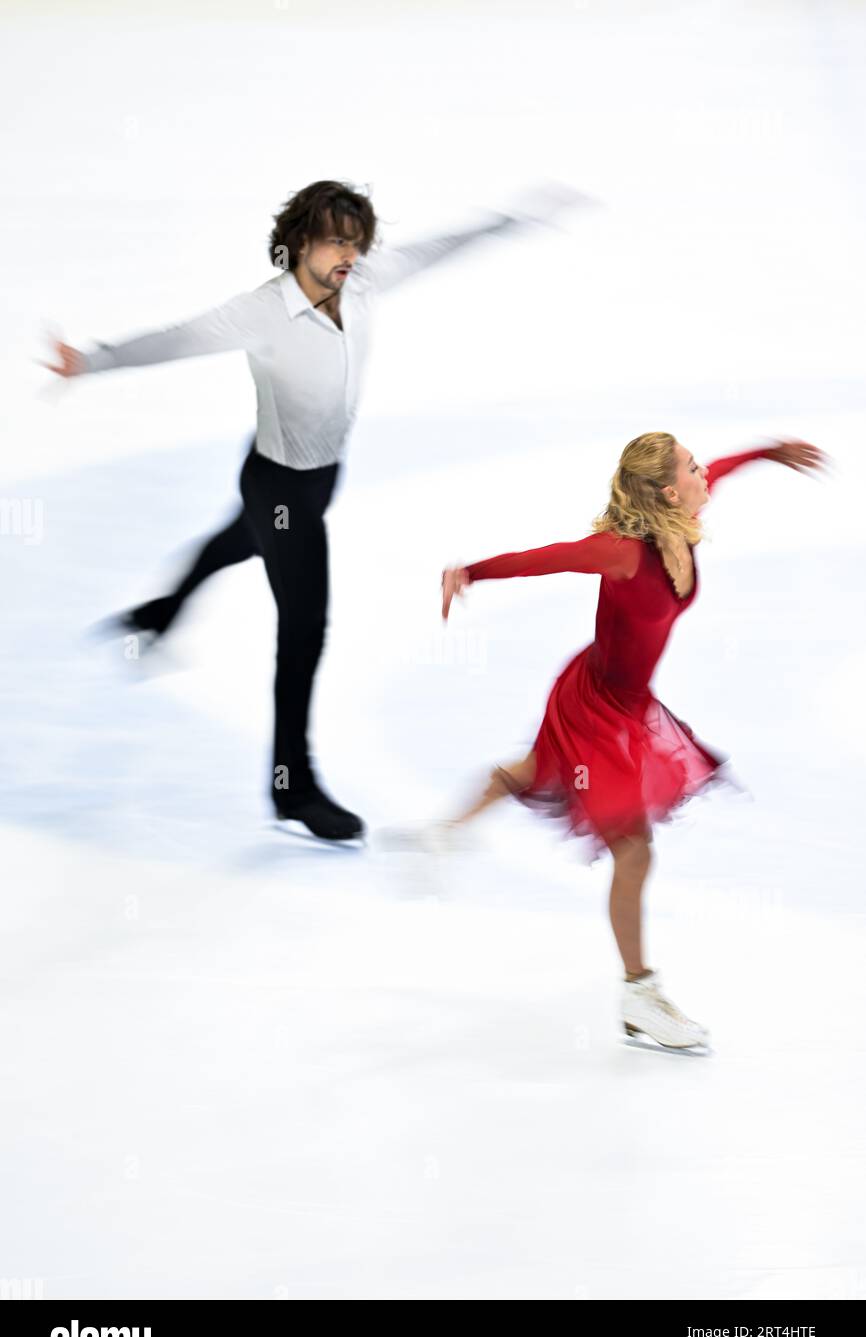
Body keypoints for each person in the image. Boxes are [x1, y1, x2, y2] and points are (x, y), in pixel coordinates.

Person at [43, 179, 590, 841]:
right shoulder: (262, 312)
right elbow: (178, 339)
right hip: (278, 488)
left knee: (240, 541)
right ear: (299, 242)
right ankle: (292, 786)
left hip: (318, 479)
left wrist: (513, 219)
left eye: (355, 242)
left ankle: (158, 612)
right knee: (304, 629)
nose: (347, 255)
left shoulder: (362, 284)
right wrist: (92, 362)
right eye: (334, 240)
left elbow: (440, 249)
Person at [438, 433, 826, 1049]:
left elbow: (722, 468)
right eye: (694, 468)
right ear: (671, 490)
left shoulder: (680, 512)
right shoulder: (620, 553)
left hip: (626, 704)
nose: (707, 473)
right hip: (595, 706)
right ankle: (639, 993)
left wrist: (766, 453)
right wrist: (470, 573)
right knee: (634, 848)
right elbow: (551, 556)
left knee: (540, 771)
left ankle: (449, 830)